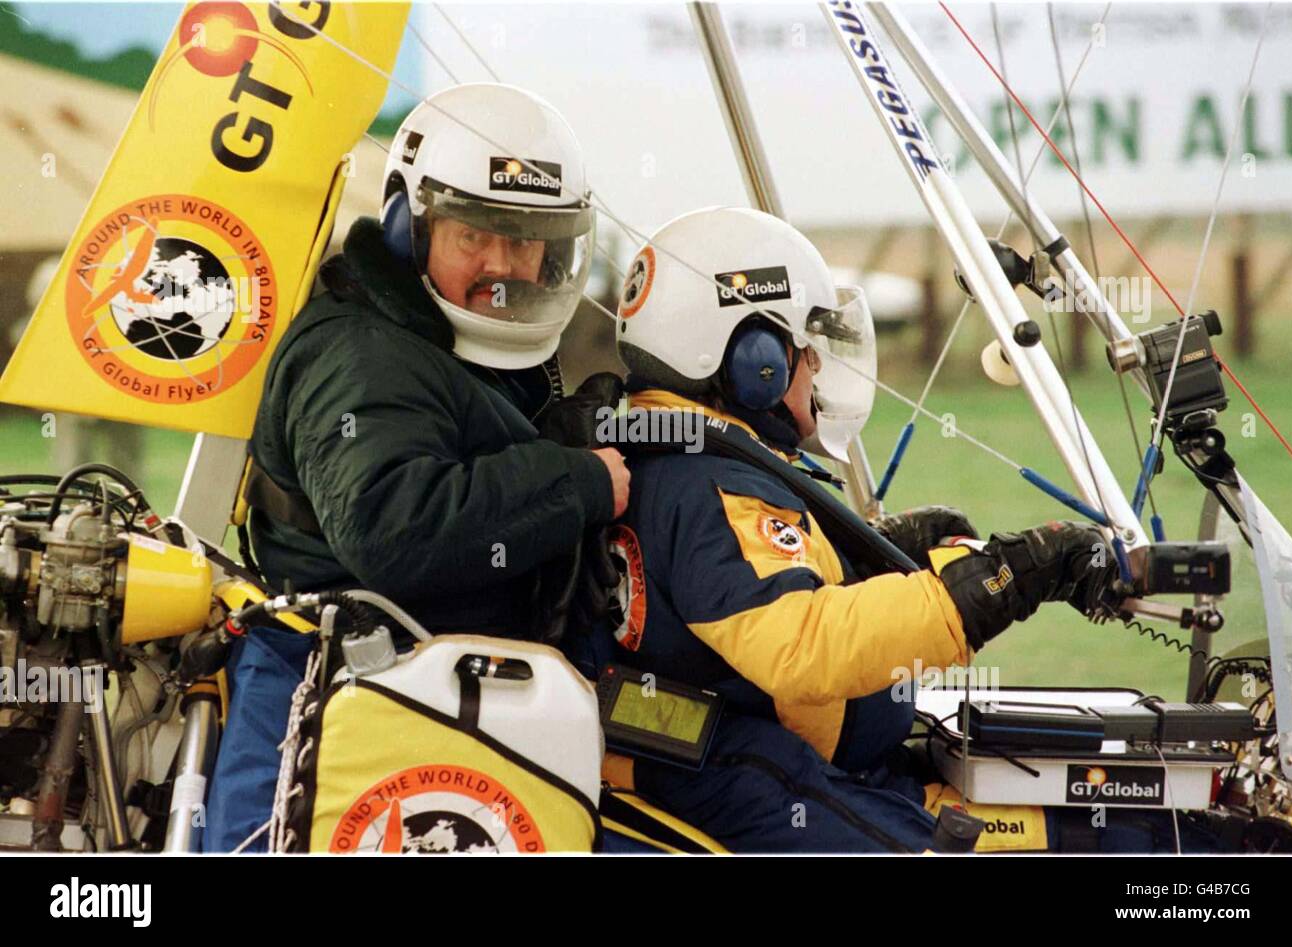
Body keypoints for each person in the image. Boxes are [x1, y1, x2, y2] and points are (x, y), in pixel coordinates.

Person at [581, 206, 1213, 852]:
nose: (816, 368)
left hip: (762, 757)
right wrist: (994, 583)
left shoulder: (680, 454)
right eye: (805, 349)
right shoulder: (710, 485)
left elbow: (765, 581)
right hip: (748, 773)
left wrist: (881, 549)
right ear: (754, 360)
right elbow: (797, 642)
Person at [204, 84, 628, 851]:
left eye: (527, 240)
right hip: (335, 699)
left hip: (443, 700)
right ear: (408, 226)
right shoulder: (361, 352)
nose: (503, 265)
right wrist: (581, 482)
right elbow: (392, 524)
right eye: (475, 235)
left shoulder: (455, 342)